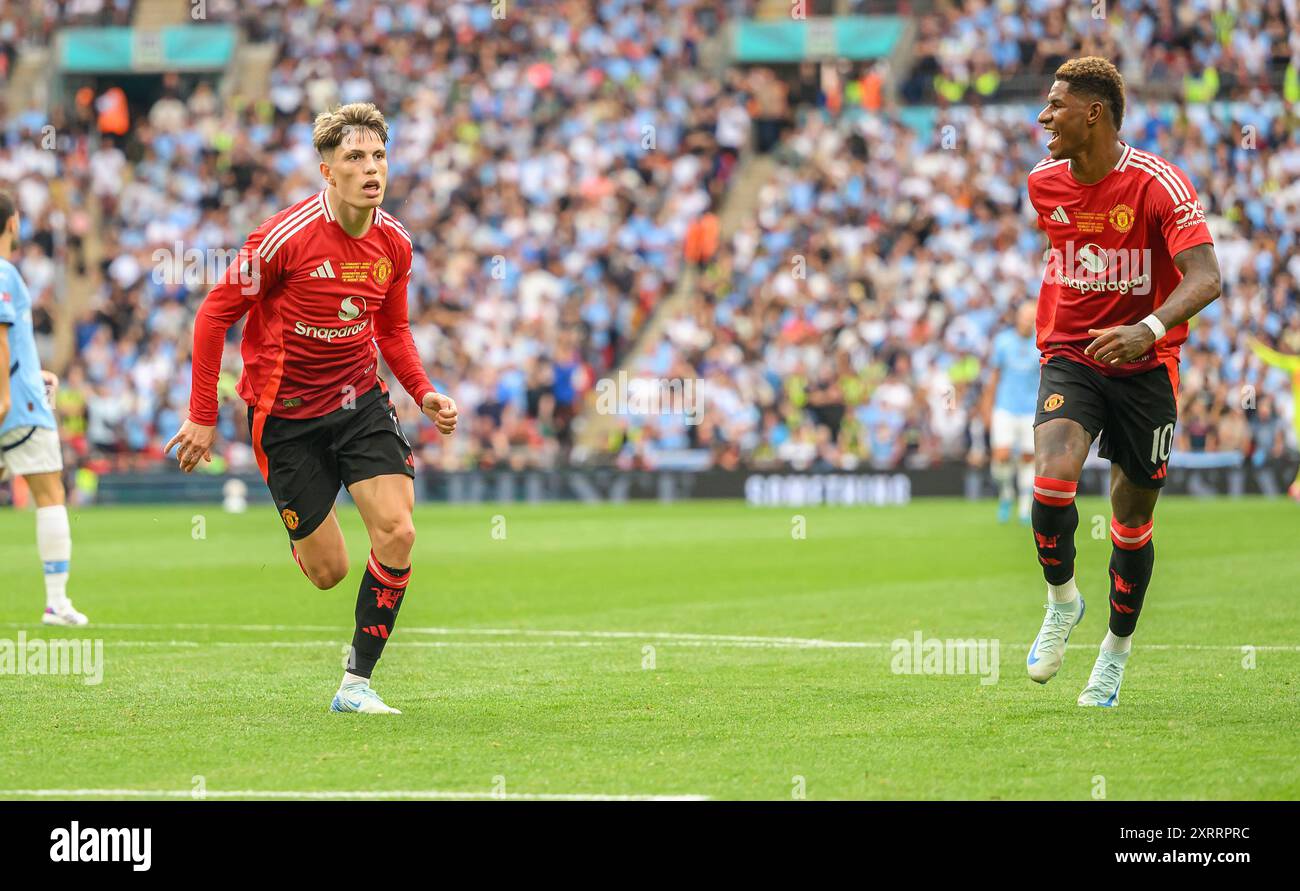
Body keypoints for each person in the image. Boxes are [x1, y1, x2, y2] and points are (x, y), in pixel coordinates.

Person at [166, 103, 459, 715]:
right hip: (287, 418)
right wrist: (201, 413)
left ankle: (356, 685)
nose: (370, 169)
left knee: (399, 531)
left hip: (360, 402)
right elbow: (213, 314)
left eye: (378, 156)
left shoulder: (395, 244)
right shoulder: (283, 238)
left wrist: (422, 390)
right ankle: (302, 521)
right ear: (327, 170)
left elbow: (394, 330)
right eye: (355, 158)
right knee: (329, 570)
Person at [1023, 58, 1222, 706]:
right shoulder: (1043, 185)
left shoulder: (1158, 184)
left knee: (1131, 523)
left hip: (1145, 368)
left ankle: (1114, 653)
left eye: (1056, 105)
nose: (1044, 117)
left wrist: (1151, 325)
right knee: (1052, 476)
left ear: (1094, 113)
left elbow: (1206, 277)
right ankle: (1062, 601)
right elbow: (1068, 253)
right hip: (1074, 356)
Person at [0, 190, 86, 626]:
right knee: (50, 494)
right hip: (18, 409)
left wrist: (36, 375)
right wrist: (6, 396)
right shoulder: (4, 272)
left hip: (23, 390)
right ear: (13, 223)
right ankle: (56, 601)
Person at [983, 300, 1040, 524]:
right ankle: (1006, 493)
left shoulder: (1040, 342)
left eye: (1032, 318)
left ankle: (1025, 507)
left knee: (1028, 457)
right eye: (1025, 317)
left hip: (1030, 410)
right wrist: (987, 408)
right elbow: (994, 377)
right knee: (1001, 456)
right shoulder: (1003, 342)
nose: (1028, 322)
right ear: (1018, 318)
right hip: (1005, 407)